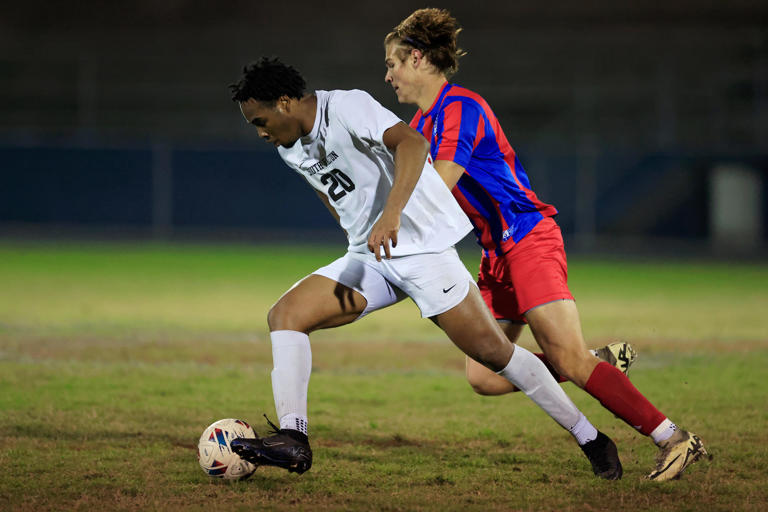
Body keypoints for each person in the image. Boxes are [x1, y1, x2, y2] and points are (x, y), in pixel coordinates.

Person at [227, 57, 622, 478]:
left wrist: (392, 214)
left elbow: (413, 143)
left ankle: (591, 438)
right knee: (285, 316)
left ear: (284, 102)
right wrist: (357, 237)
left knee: (495, 355)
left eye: (260, 120)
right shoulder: (289, 148)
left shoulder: (345, 107)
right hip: (371, 257)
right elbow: (331, 193)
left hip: (422, 250)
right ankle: (294, 438)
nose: (261, 132)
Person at [383, 8, 707, 481]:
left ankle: (674, 439)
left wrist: (389, 216)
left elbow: (441, 185)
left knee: (566, 357)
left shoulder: (459, 108)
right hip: (496, 254)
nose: (388, 75)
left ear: (417, 59)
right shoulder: (424, 124)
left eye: (393, 63)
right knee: (484, 375)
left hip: (527, 237)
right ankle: (594, 362)